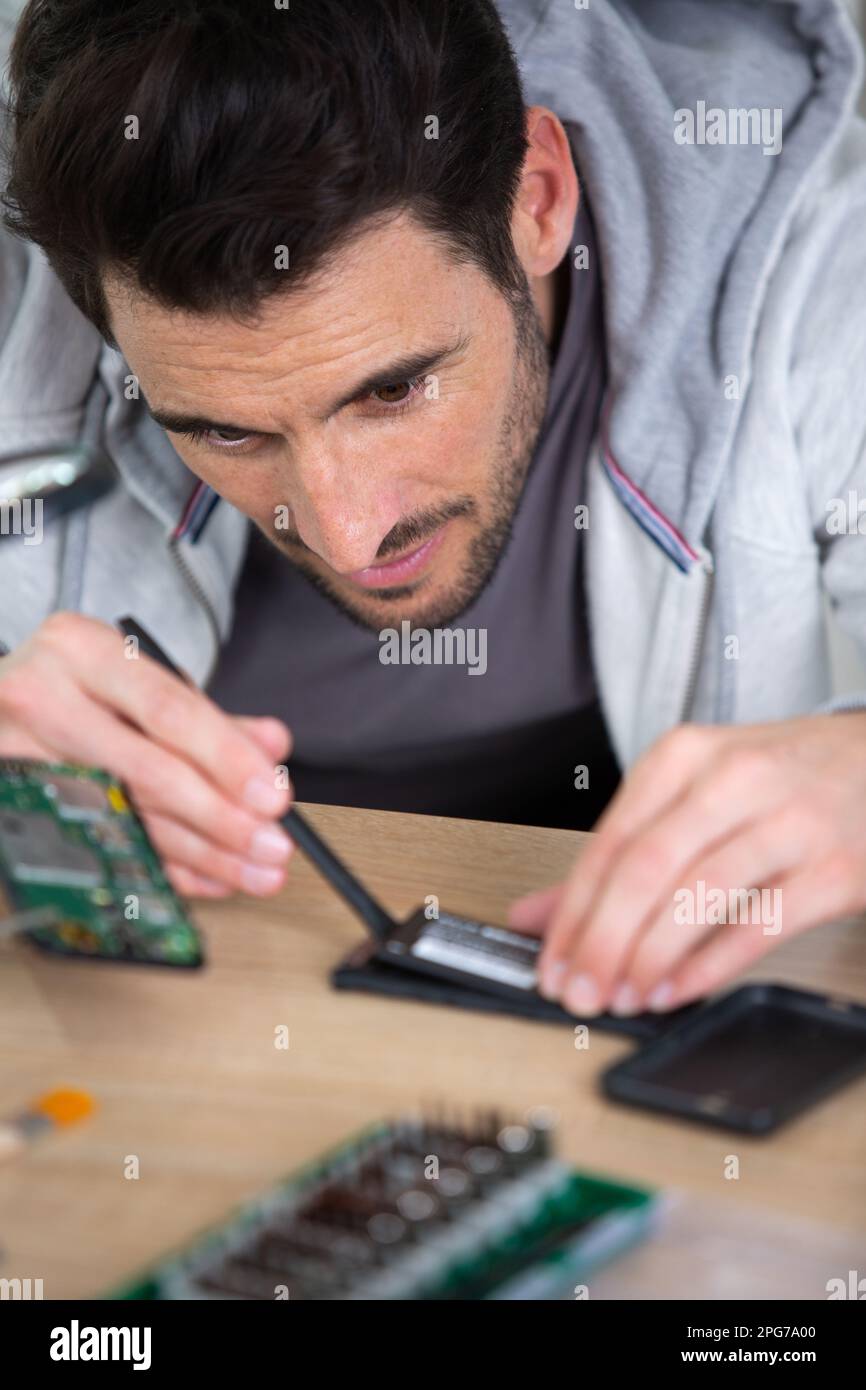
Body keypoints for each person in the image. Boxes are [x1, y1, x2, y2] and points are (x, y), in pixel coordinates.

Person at [0, 0, 864, 1020]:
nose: (343, 531)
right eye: (225, 431)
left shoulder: (819, 271)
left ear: (536, 200)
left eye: (393, 389)